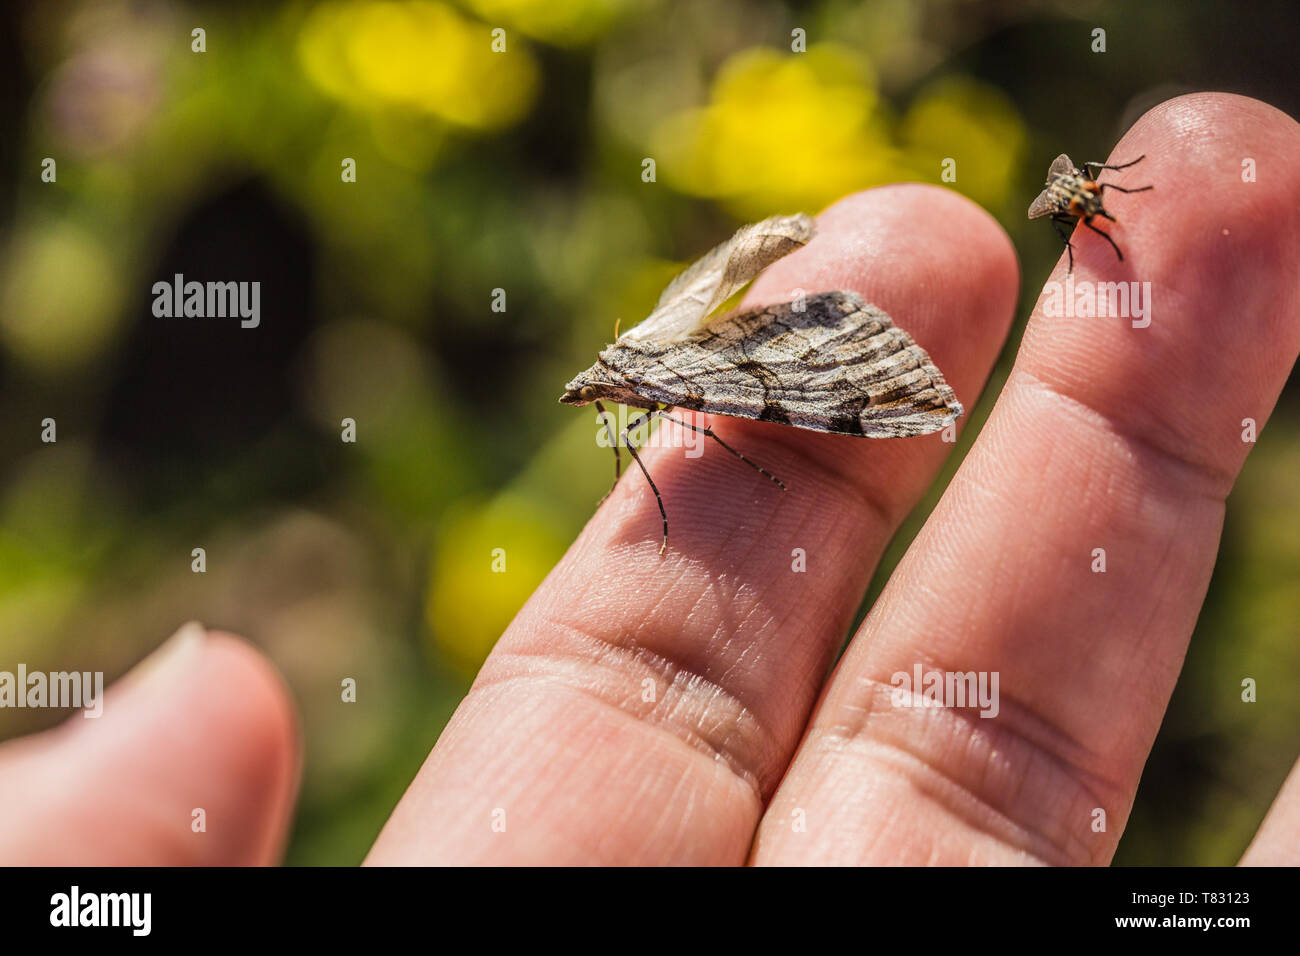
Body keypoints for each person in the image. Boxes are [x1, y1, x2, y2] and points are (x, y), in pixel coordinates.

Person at [2, 93, 1298, 866]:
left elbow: (704, 369)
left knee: (769, 399)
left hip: (743, 364)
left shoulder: (659, 385)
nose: (599, 419)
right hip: (721, 359)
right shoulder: (644, 385)